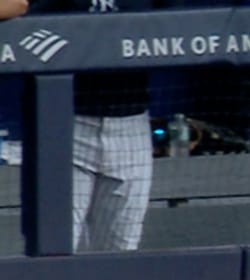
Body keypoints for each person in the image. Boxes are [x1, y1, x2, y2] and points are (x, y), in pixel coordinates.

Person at [31, 0, 182, 253]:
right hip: (65, 124)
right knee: (55, 248)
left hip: (130, 125)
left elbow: (179, 21)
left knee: (120, 250)